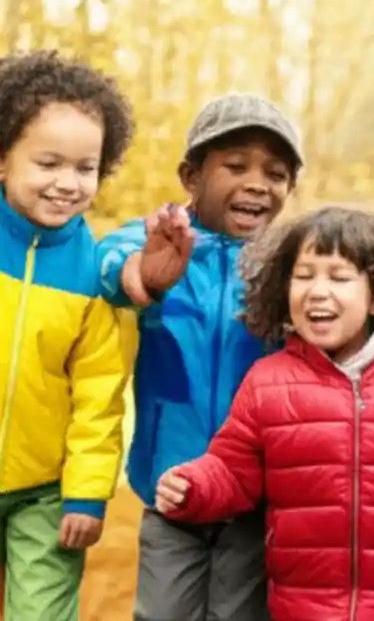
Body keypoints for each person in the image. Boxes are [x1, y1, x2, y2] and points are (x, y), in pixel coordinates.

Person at [153, 206, 374, 621]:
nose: (317, 290)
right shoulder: (268, 381)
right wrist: (194, 486)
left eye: (339, 277)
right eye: (304, 275)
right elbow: (234, 469)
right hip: (302, 609)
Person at [96, 93, 303, 620]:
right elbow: (110, 265)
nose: (258, 183)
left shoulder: (292, 263)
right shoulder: (158, 240)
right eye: (236, 166)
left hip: (256, 497)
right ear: (191, 175)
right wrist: (144, 276)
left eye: (276, 174)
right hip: (171, 484)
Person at [0, 50, 133, 620]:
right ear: (3, 159)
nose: (67, 183)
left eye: (85, 168)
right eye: (48, 163)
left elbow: (98, 398)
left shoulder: (96, 275)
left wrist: (86, 492)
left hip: (44, 492)